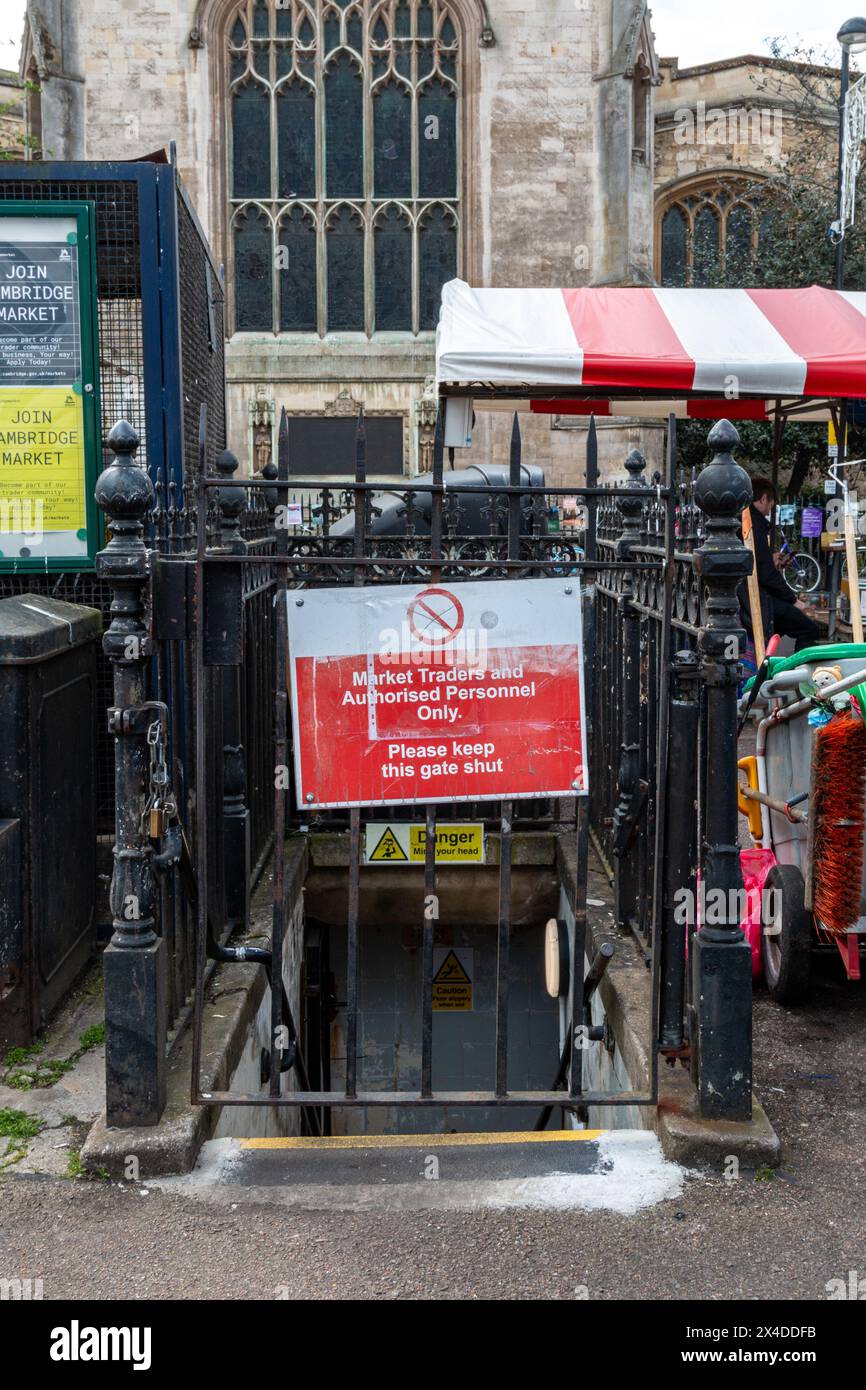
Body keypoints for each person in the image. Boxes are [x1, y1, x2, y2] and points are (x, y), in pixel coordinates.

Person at [745, 478, 820, 652]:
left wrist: (769, 560)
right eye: (771, 502)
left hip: (754, 594)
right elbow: (766, 575)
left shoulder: (748, 520)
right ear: (764, 498)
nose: (770, 508)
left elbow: (758, 563)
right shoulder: (754, 525)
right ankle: (800, 673)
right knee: (809, 629)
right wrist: (793, 601)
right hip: (758, 598)